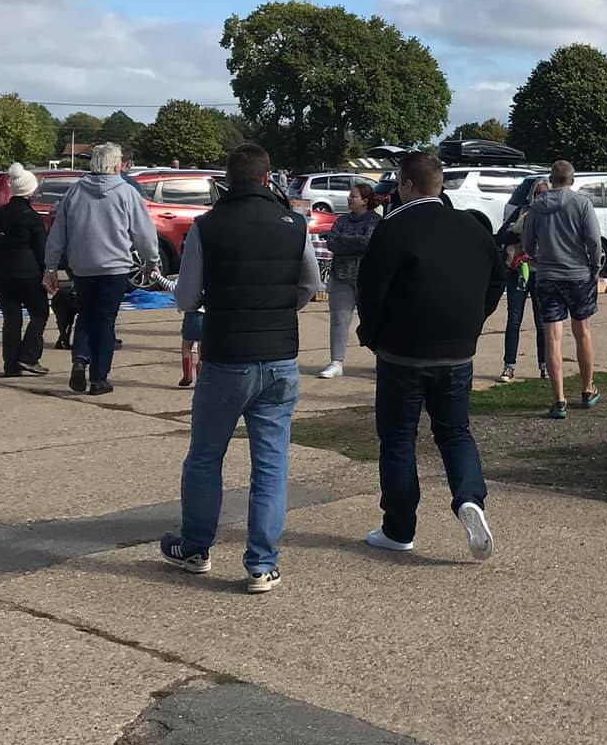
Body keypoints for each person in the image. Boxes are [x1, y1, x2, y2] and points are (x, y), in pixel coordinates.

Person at [161, 143, 321, 592]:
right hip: (279, 357)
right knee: (270, 462)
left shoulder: (207, 227)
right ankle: (261, 563)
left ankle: (195, 547)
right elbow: (311, 283)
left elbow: (187, 297)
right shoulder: (295, 225)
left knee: (206, 456)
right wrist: (279, 306)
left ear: (227, 181)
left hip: (227, 357)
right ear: (268, 178)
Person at [354, 152, 506, 559]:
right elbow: (497, 278)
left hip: (404, 352)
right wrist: (474, 319)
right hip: (457, 350)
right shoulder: (472, 227)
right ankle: (470, 497)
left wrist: (371, 334)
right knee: (455, 431)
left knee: (399, 437)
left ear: (405, 185)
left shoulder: (393, 229)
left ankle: (399, 527)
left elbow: (370, 290)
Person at [43, 140, 158, 395]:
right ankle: (98, 378)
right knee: (105, 321)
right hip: (114, 267)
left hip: (82, 266)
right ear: (117, 165)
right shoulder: (127, 193)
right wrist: (152, 261)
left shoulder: (74, 192)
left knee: (85, 314)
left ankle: (80, 358)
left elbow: (58, 233)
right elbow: (144, 233)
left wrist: (50, 267)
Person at [522, 159, 603, 420]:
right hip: (578, 275)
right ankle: (587, 389)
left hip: (547, 276)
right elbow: (593, 239)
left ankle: (558, 400)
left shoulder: (536, 206)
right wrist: (594, 265)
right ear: (572, 179)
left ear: (551, 178)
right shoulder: (581, 203)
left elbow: (526, 240)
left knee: (552, 337)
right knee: (583, 332)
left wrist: (536, 257)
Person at [0, 164, 49, 378]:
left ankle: (10, 364)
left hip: (1, 274)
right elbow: (41, 250)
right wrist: (48, 272)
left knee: (12, 319)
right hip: (27, 273)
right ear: (30, 191)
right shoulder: (32, 217)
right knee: (39, 313)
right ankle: (29, 357)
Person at [320, 180, 378, 379]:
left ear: (365, 200)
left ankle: (381, 359)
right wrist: (352, 241)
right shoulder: (342, 220)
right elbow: (331, 242)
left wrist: (345, 240)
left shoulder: (374, 221)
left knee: (372, 319)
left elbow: (368, 242)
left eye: (353, 196)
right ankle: (336, 362)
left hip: (366, 278)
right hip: (341, 276)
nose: (349, 199)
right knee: (339, 320)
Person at [497, 179, 548, 384]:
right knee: (514, 319)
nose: (541, 198)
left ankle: (544, 365)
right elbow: (500, 236)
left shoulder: (552, 215)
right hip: (517, 270)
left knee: (542, 322)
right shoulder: (521, 211)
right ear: (531, 196)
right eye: (538, 194)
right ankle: (509, 366)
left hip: (540, 272)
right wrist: (518, 233)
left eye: (545, 194)